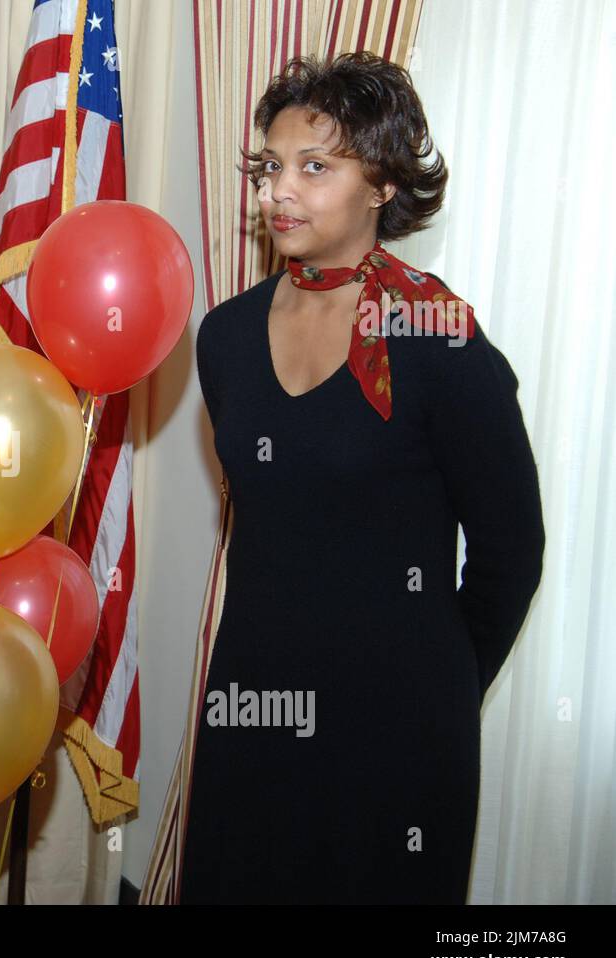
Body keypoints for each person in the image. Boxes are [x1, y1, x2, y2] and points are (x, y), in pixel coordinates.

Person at [179, 52, 544, 903]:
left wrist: (434, 682)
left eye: (316, 166)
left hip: (397, 733)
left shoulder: (440, 335)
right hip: (253, 707)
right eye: (271, 167)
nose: (280, 191)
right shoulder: (225, 338)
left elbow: (511, 551)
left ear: (381, 184)